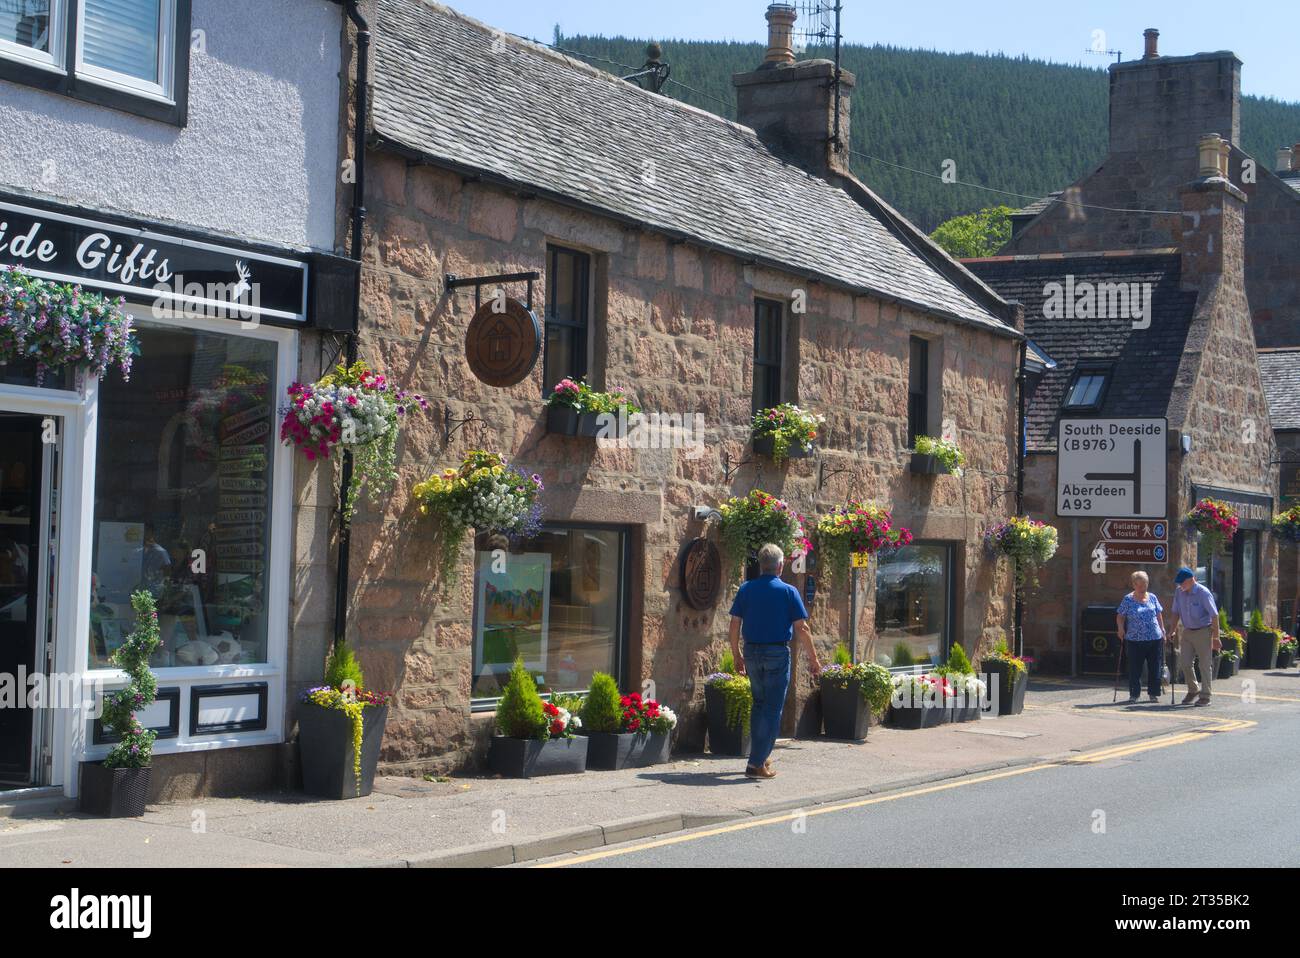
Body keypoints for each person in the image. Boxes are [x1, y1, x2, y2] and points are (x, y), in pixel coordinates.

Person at [728, 543, 822, 779]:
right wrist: (814, 660)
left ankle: (761, 754)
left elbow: (734, 624)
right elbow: (802, 627)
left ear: (761, 565)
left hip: (751, 652)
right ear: (780, 566)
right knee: (771, 709)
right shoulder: (788, 592)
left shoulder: (746, 589)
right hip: (777, 654)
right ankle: (755, 763)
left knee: (759, 705)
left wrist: (736, 654)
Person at [1168, 566, 1221, 706]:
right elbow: (1175, 612)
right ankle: (1193, 689)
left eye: (1182, 582)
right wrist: (1172, 630)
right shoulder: (1179, 592)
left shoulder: (1203, 593)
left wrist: (1216, 637)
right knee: (1185, 663)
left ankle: (1205, 695)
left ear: (1191, 580)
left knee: (1204, 664)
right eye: (1179, 583)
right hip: (1188, 630)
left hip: (1203, 630)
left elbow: (1214, 615)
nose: (1180, 585)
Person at [1116, 570, 1167, 704]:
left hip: (1154, 638)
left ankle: (1153, 694)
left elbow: (1158, 614)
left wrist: (1162, 630)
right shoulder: (1128, 599)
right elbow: (1120, 616)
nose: (1143, 587)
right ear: (1134, 585)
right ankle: (1134, 694)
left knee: (1155, 667)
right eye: (1140, 585)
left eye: (1145, 584)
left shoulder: (1153, 597)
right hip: (1134, 639)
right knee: (1135, 668)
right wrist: (1120, 629)